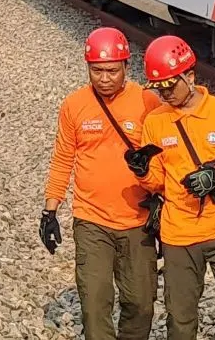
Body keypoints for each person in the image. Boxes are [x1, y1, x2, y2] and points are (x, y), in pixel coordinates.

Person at [129, 34, 215, 340]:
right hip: (178, 232)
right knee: (180, 320)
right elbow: (156, 183)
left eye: (169, 86)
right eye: (159, 88)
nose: (165, 94)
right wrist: (141, 172)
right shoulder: (155, 122)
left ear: (189, 76)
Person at [40, 27, 160, 340]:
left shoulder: (148, 103)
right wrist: (50, 211)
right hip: (91, 220)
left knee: (141, 304)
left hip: (138, 221)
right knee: (95, 303)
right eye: (96, 71)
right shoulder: (74, 105)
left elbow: (166, 158)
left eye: (111, 71)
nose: (104, 78)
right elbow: (63, 158)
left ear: (126, 67)